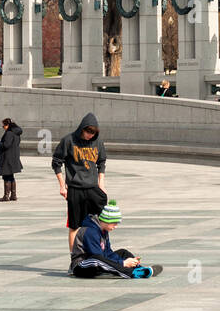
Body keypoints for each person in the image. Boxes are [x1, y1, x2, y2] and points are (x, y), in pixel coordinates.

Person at [52, 112, 108, 252]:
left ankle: (100, 253)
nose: (90, 135)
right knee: (75, 225)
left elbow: (101, 162)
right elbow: (56, 163)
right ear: (82, 128)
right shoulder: (69, 140)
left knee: (101, 223)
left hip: (93, 187)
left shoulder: (98, 141)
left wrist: (101, 184)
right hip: (75, 188)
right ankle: (74, 260)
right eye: (88, 132)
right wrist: (62, 186)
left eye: (93, 133)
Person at [69, 199, 161, 279]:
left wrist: (127, 261)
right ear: (106, 220)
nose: (116, 226)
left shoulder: (104, 231)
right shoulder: (90, 232)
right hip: (82, 266)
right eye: (114, 223)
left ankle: (139, 269)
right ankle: (132, 273)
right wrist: (122, 263)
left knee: (123, 252)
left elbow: (108, 252)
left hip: (99, 261)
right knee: (98, 259)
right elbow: (96, 255)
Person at [0, 117, 23, 201]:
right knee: (11, 176)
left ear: (7, 125)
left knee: (6, 176)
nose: (3, 127)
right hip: (14, 156)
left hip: (7, 157)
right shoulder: (16, 133)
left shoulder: (9, 133)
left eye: (3, 126)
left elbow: (6, 145)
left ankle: (6, 196)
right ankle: (13, 195)